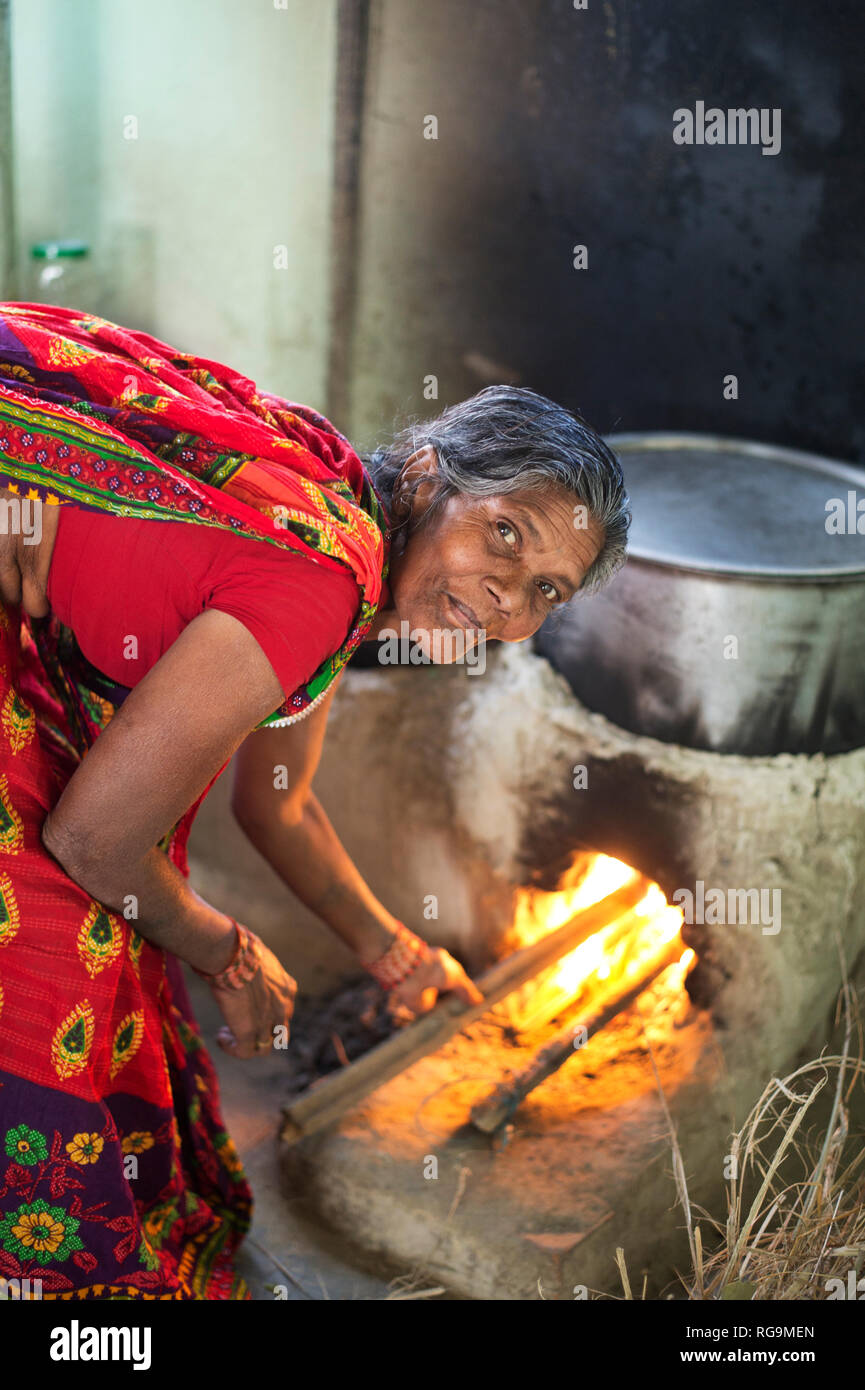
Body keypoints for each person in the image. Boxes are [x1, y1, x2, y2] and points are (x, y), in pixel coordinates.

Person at [0, 302, 629, 1299]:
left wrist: (395, 950)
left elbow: (278, 801)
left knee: (133, 918)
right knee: (65, 945)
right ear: (429, 480)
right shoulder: (317, 583)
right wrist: (230, 951)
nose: (510, 599)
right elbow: (93, 838)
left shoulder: (339, 509)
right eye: (504, 534)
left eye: (548, 591)